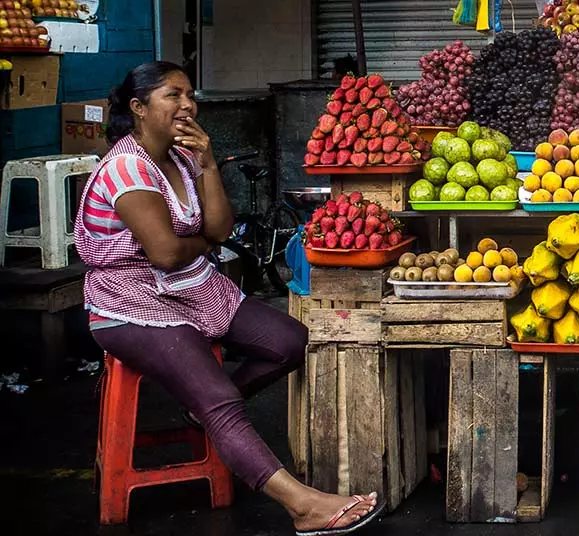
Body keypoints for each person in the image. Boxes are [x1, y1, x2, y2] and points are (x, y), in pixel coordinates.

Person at [74, 61, 382, 535]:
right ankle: (300, 504)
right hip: (129, 301)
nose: (187, 105)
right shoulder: (125, 167)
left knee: (289, 340)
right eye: (172, 96)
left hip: (191, 287)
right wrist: (197, 245)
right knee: (220, 398)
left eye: (190, 95)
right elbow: (166, 253)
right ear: (138, 108)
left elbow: (218, 230)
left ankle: (206, 410)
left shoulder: (181, 158)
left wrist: (209, 163)